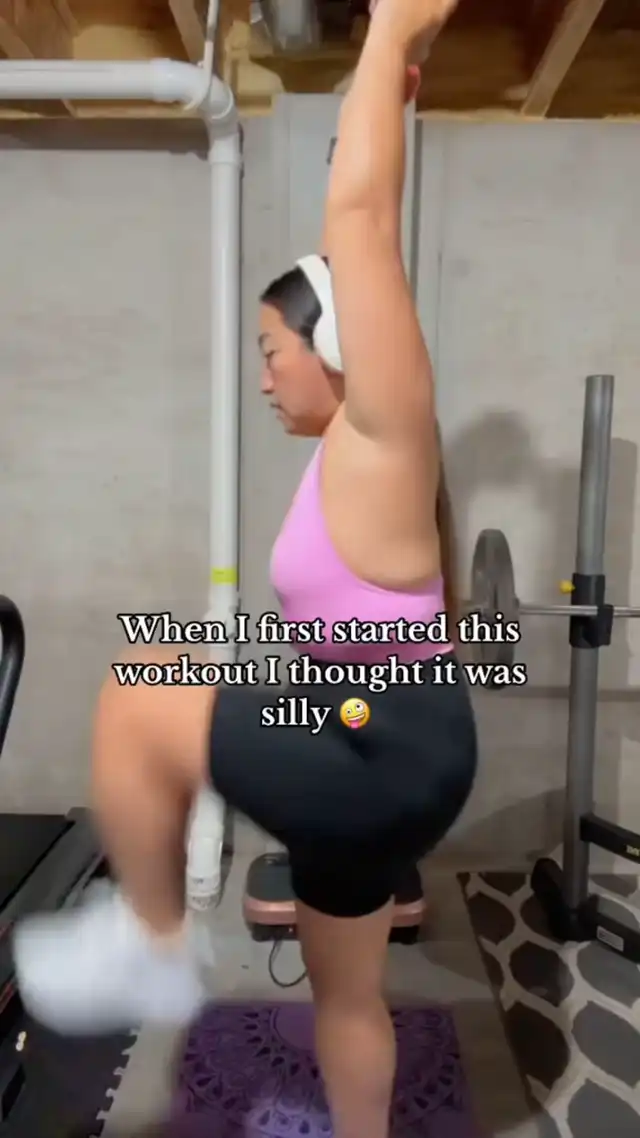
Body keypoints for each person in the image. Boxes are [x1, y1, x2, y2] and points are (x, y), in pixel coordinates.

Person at [14, 2, 476, 1137]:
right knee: (346, 990)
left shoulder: (381, 435)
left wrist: (389, 34)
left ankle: (155, 940)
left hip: (381, 744)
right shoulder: (351, 464)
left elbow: (362, 219)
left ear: (336, 350)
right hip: (366, 739)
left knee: (141, 689)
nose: (264, 379)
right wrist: (381, 97)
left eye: (274, 353)